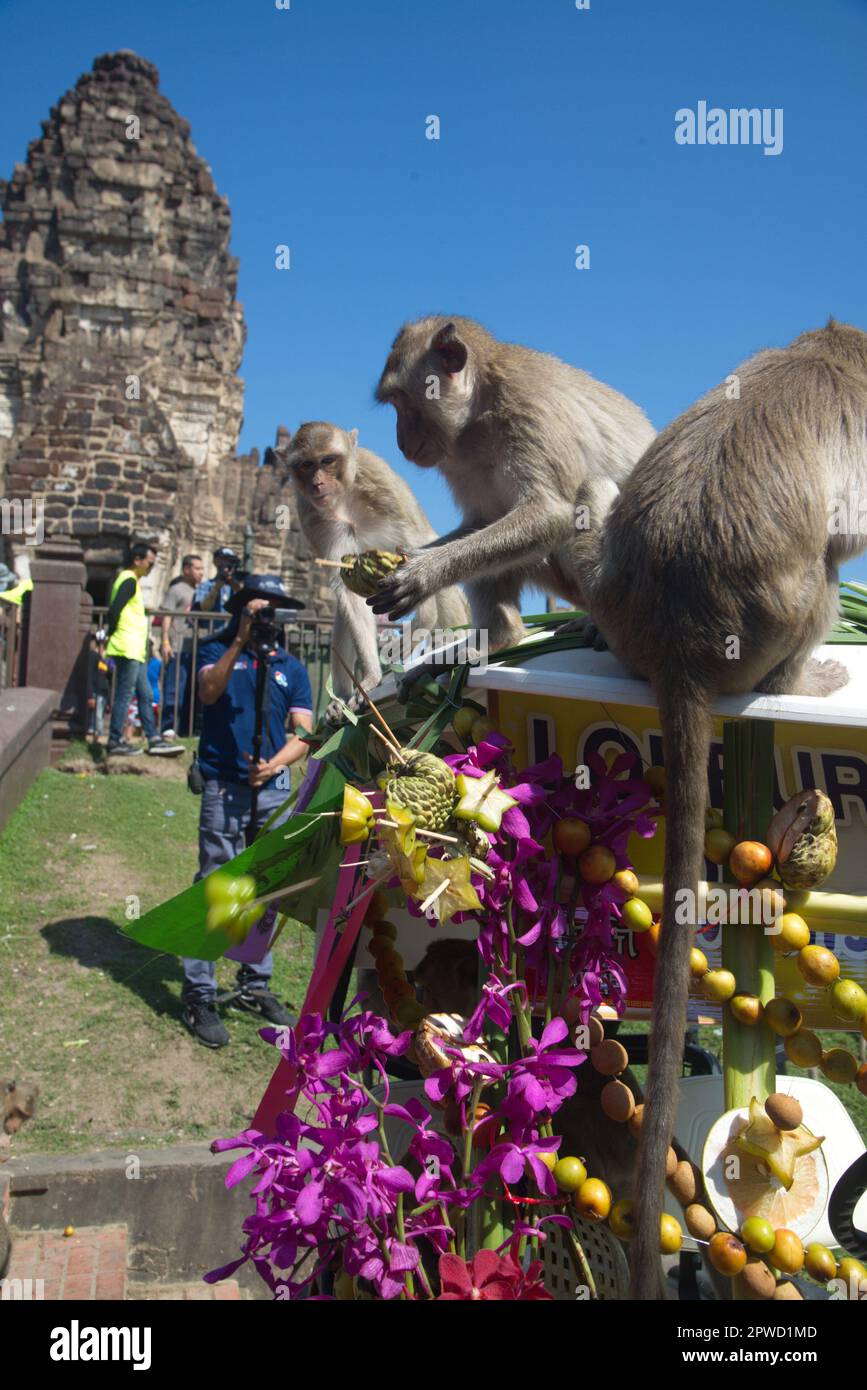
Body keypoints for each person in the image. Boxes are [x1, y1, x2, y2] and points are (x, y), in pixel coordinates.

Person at [180, 574, 313, 1047]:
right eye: (257, 610)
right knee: (217, 883)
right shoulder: (218, 650)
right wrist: (238, 640)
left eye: (271, 612)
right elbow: (207, 692)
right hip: (223, 788)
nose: (265, 619)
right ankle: (199, 989)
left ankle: (255, 980)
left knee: (263, 887)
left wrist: (274, 764)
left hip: (269, 788)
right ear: (240, 611)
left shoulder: (290, 667)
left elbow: (304, 730)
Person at [104, 543, 175, 757]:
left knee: (145, 694)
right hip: (127, 646)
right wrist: (114, 634)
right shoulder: (128, 579)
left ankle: (153, 738)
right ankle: (115, 740)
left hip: (135, 648)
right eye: (149, 563)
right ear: (137, 560)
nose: (150, 567)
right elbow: (115, 609)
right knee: (125, 695)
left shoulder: (130, 580)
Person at [160, 554, 205, 736]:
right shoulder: (177, 589)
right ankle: (168, 728)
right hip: (178, 646)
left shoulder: (202, 592)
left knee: (192, 693)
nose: (201, 572)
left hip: (196, 648)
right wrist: (165, 641)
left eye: (202, 569)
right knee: (175, 689)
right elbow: (166, 616)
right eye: (197, 568)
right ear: (186, 569)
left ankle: (187, 730)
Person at [193, 546, 241, 616]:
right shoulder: (205, 585)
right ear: (216, 562)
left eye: (231, 560)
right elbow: (204, 607)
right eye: (224, 559)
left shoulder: (235, 586)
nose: (227, 562)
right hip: (211, 626)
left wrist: (236, 586)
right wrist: (216, 589)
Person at [87, 628, 112, 739]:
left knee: (99, 714)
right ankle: (95, 734)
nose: (102, 647)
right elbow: (90, 675)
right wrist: (90, 694)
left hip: (103, 690)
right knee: (95, 715)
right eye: (100, 643)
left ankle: (98, 734)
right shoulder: (93, 656)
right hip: (95, 690)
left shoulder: (108, 659)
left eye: (104, 644)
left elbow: (110, 674)